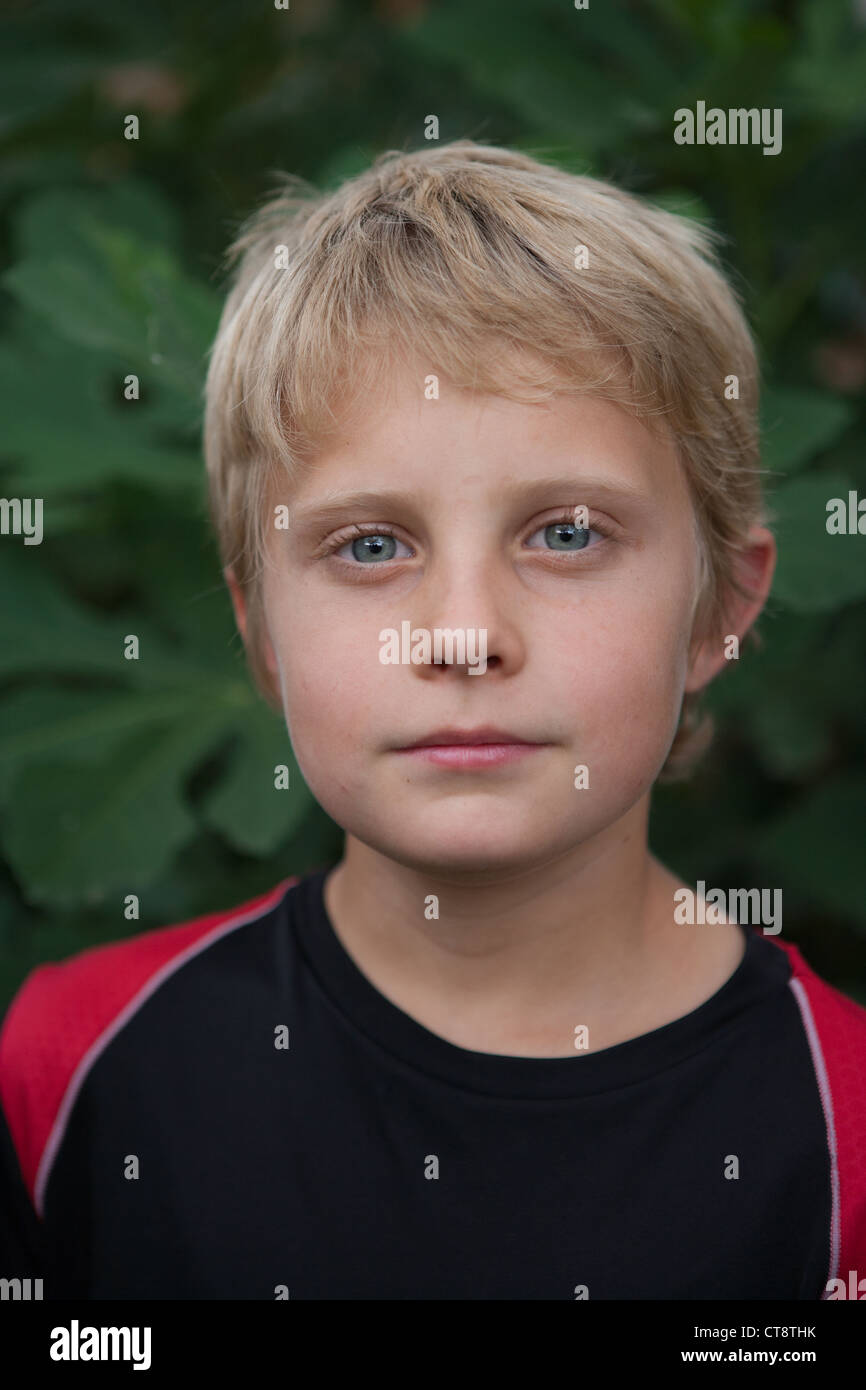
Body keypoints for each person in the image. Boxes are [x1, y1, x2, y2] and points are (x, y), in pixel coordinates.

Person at [2, 141, 864, 1299]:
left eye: (565, 533)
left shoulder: (845, 1125)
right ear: (259, 629)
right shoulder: (69, 1065)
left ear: (718, 608)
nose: (461, 634)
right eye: (369, 546)